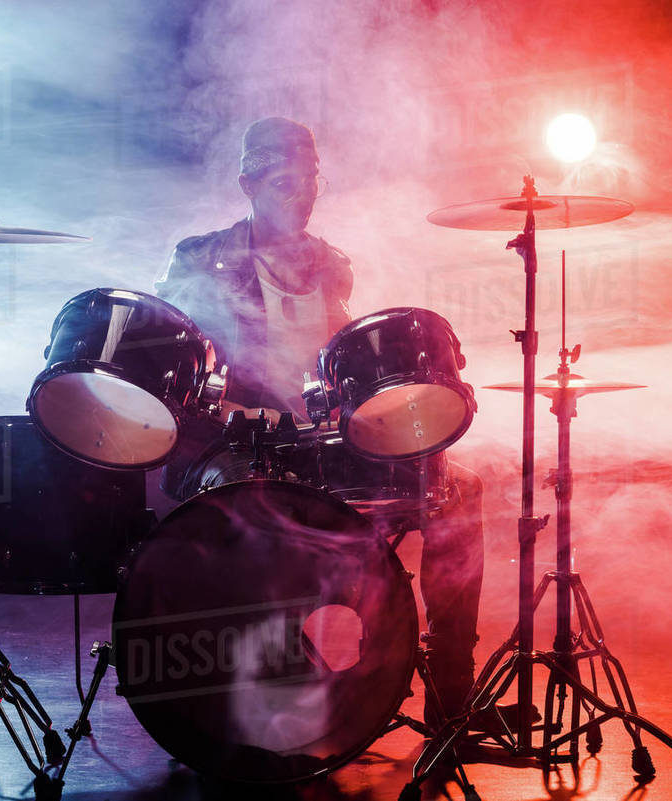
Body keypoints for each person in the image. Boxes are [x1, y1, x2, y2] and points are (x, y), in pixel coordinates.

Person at [154, 117, 486, 728]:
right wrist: (227, 407)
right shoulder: (200, 258)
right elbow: (173, 364)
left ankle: (451, 688)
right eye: (285, 182)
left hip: (317, 442)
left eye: (310, 182)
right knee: (244, 492)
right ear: (248, 184)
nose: (302, 196)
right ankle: (243, 673)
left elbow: (339, 364)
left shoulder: (332, 264)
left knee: (457, 486)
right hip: (237, 442)